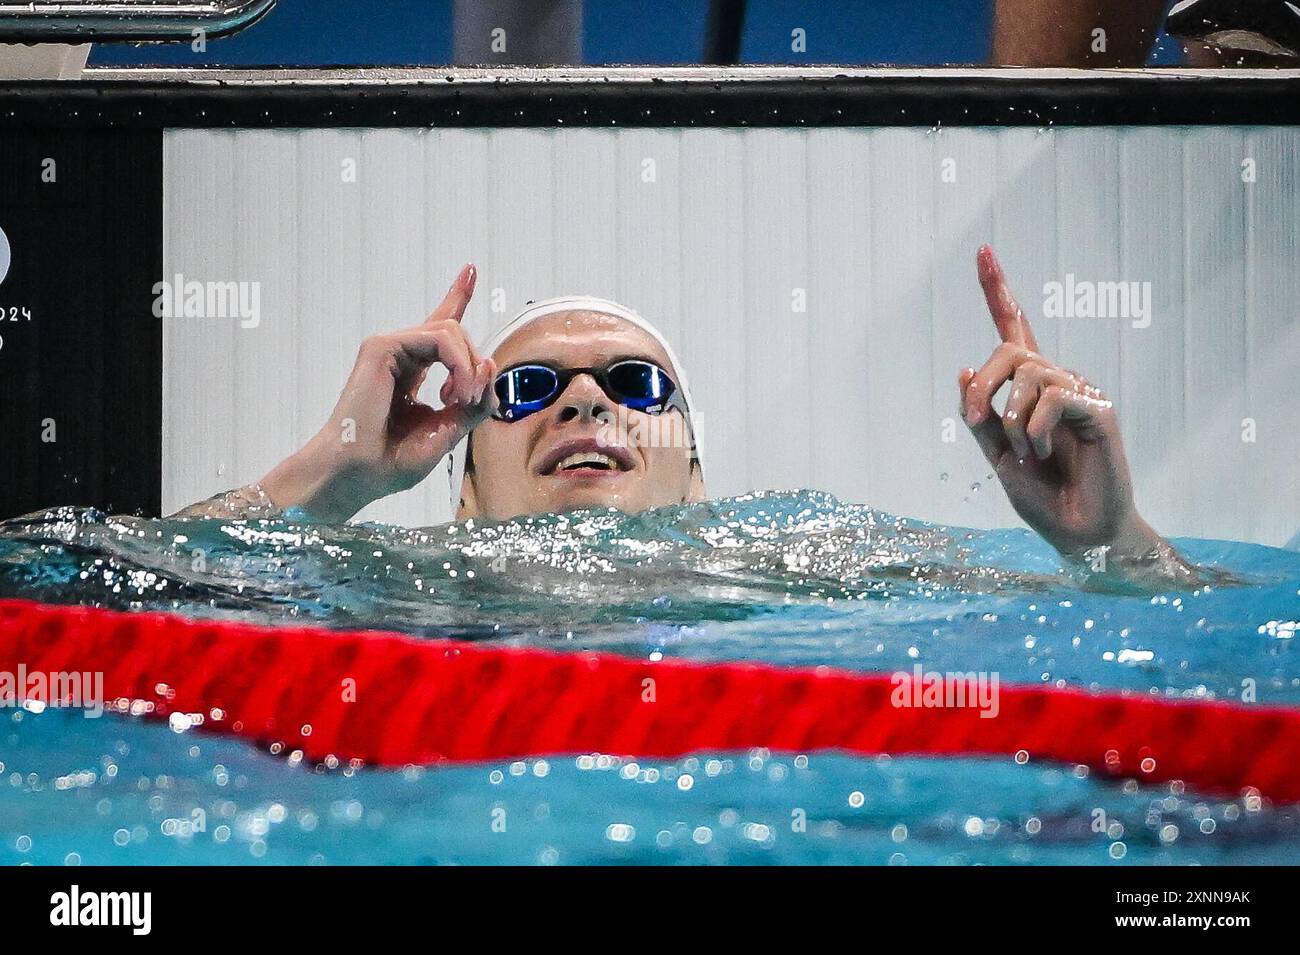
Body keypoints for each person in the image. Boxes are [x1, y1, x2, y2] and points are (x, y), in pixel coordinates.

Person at [176, 246, 1198, 588]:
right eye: (526, 390)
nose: (586, 398)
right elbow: (65, 609)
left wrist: (1110, 547)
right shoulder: (393, 585)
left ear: (698, 479)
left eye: (635, 384)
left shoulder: (805, 569)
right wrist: (332, 473)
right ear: (465, 490)